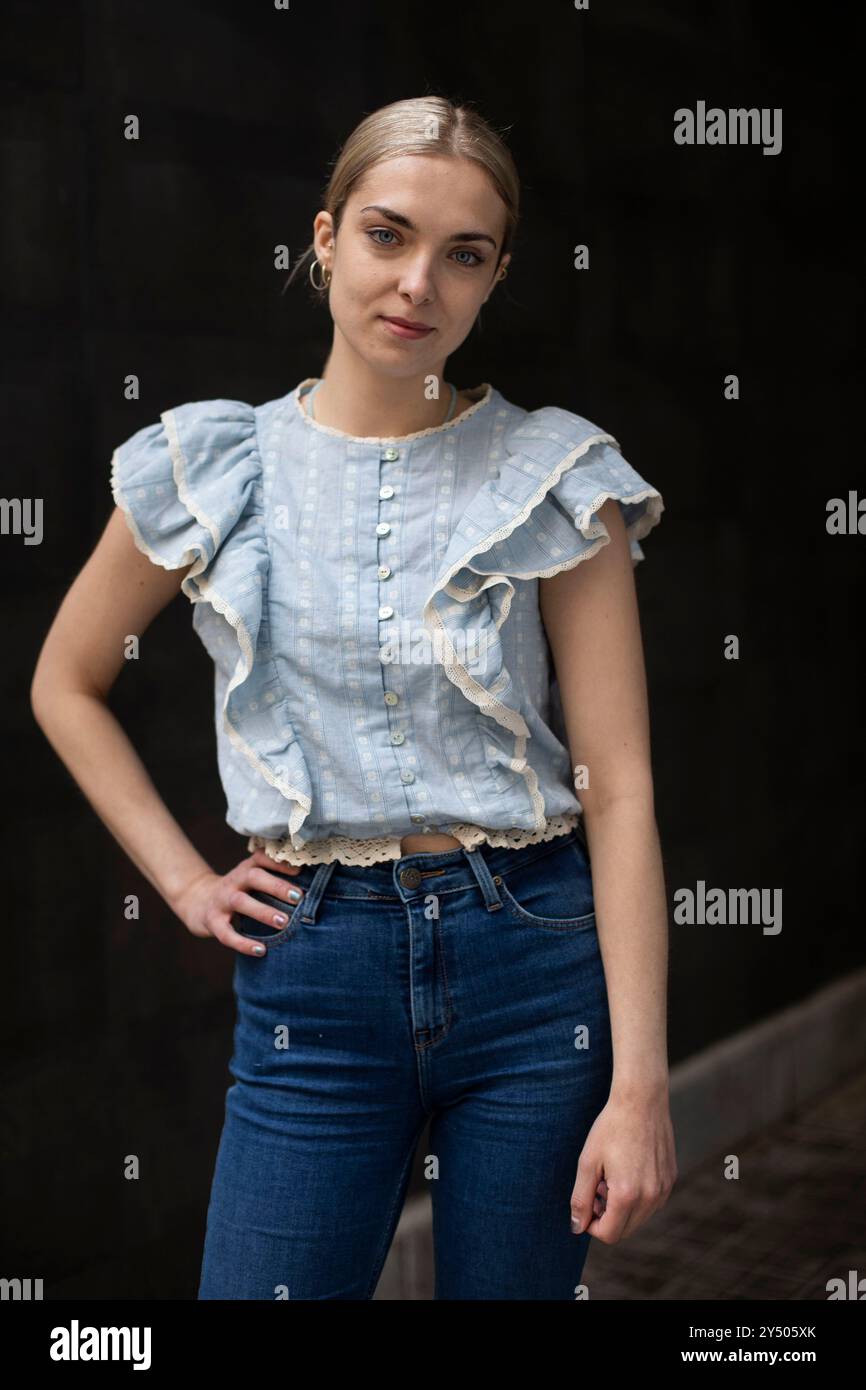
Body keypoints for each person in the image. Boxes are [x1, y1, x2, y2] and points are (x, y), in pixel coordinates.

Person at [30, 95, 676, 1300]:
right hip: (313, 978)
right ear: (324, 239)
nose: (417, 282)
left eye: (463, 255)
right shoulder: (214, 464)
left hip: (532, 971)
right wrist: (185, 880)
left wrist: (639, 1085)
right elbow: (64, 682)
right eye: (386, 234)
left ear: (493, 278)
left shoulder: (553, 475)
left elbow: (620, 787)